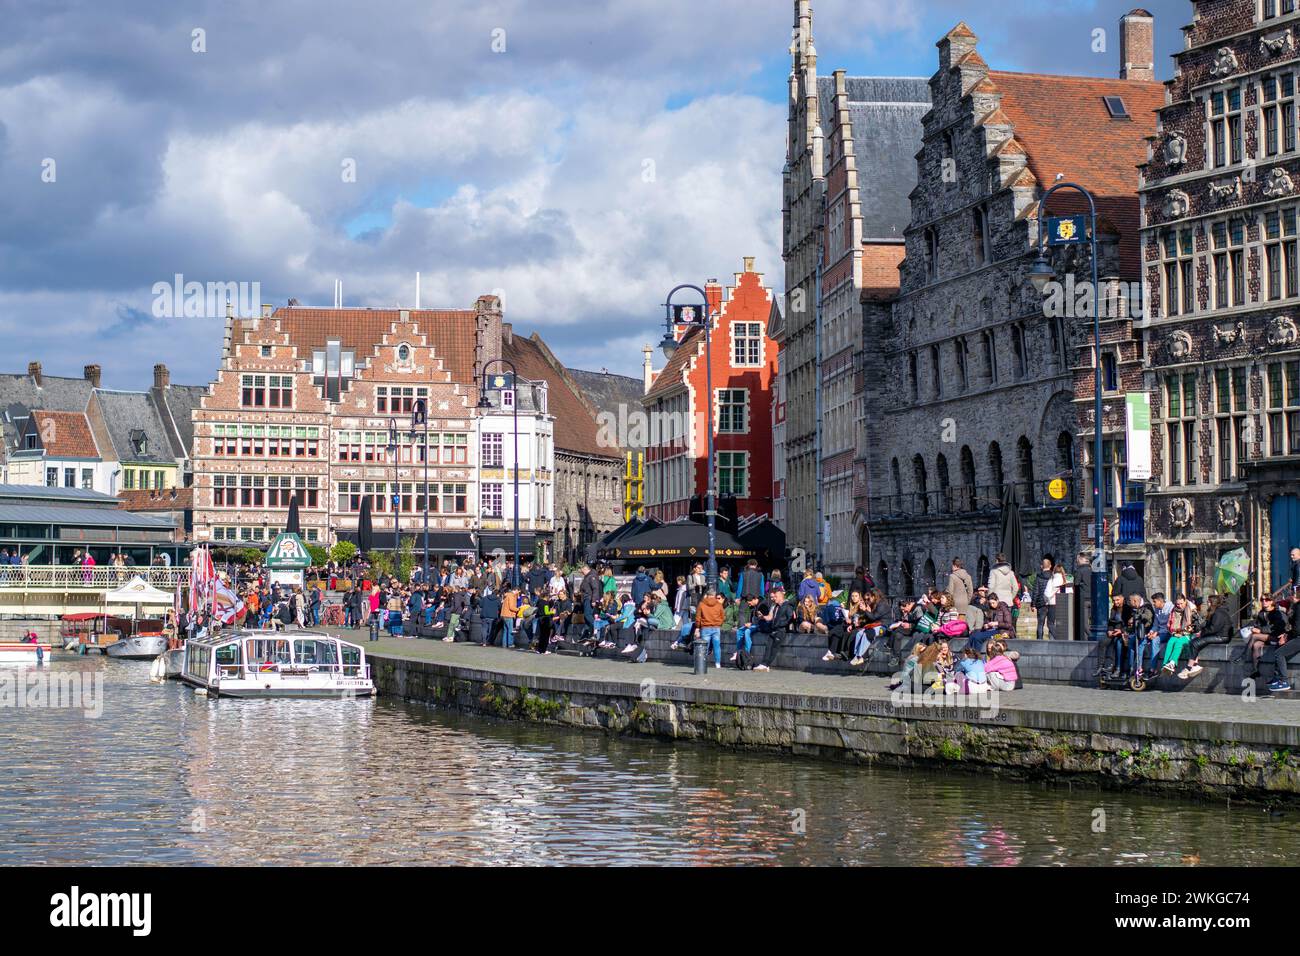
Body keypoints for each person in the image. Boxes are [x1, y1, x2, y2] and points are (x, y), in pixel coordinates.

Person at [1177, 593, 1233, 680]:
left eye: (1208, 602)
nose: (1207, 604)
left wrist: (1202, 633)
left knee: (1195, 643)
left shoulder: (1219, 612)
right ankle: (1193, 665)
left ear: (1212, 603)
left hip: (1222, 636)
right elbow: (1207, 624)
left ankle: (1190, 667)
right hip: (1218, 635)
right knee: (1194, 641)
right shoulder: (1215, 611)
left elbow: (1213, 628)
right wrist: (1196, 628)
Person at [752, 586, 794, 672]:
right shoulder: (775, 606)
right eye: (772, 597)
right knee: (768, 646)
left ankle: (766, 664)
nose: (773, 599)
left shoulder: (787, 605)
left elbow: (790, 618)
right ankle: (764, 664)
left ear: (780, 595)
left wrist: (781, 624)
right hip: (774, 629)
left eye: (774, 597)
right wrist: (763, 617)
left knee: (774, 648)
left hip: (781, 630)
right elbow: (770, 617)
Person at [695, 587, 725, 669]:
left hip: (705, 627)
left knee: (705, 646)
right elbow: (722, 616)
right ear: (714, 595)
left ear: (707, 595)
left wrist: (698, 627)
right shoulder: (718, 604)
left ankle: (703, 663)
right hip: (716, 627)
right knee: (717, 646)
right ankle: (718, 664)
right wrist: (719, 623)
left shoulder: (701, 604)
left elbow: (698, 617)